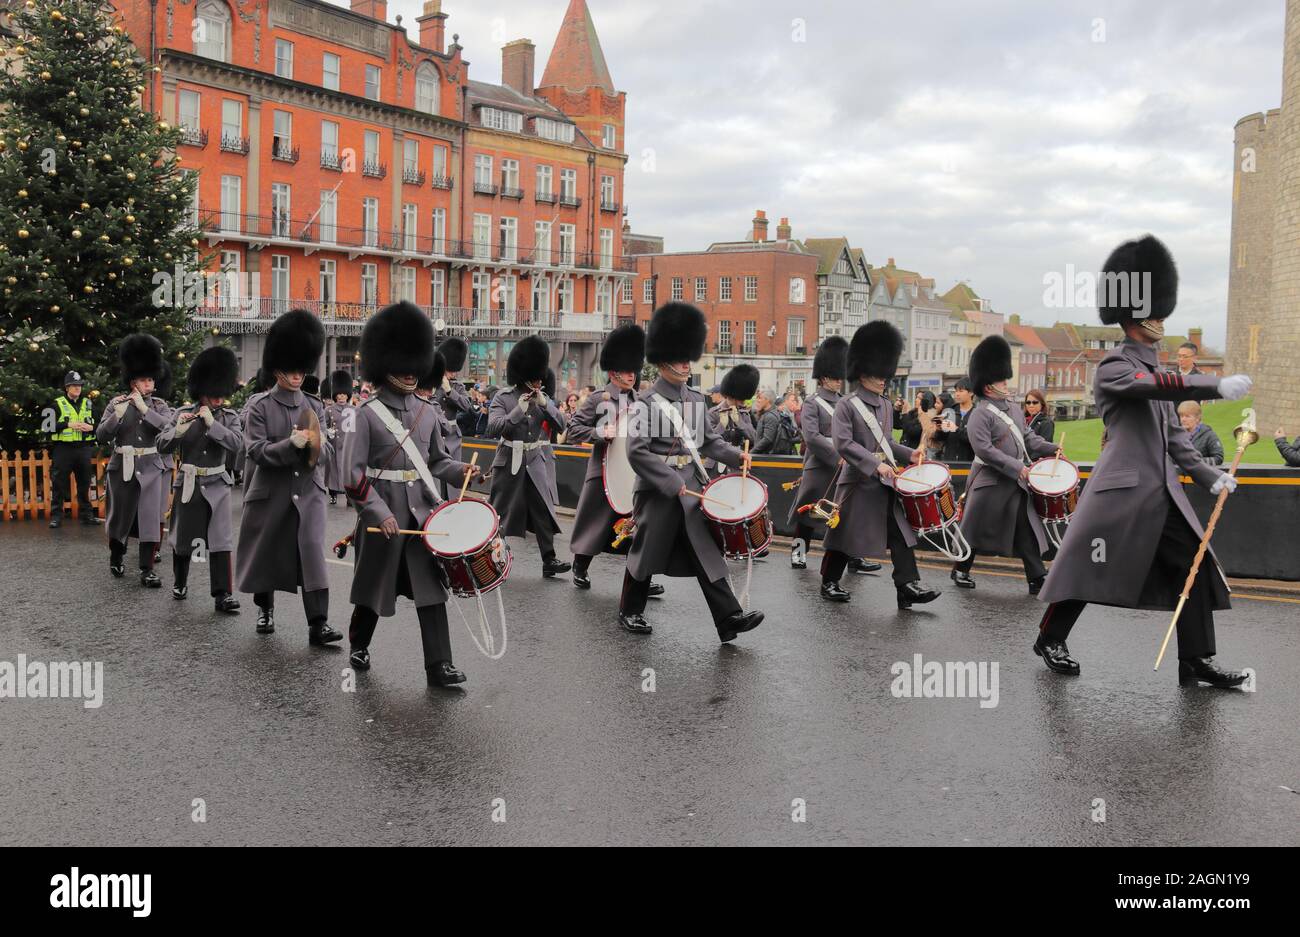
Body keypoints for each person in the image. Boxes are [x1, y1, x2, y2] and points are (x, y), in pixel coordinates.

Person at [1035, 235, 1253, 689]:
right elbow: (1153, 386)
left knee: (1193, 565)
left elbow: (1174, 435)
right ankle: (1050, 638)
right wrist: (1212, 385)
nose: (1159, 321)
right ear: (1134, 318)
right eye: (1154, 313)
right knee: (1085, 567)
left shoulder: (1156, 372)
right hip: (1120, 492)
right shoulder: (1115, 366)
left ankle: (1195, 659)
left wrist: (1209, 475)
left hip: (1163, 492)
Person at [343, 302, 481, 688]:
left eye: (411, 363)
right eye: (400, 364)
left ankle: (439, 665)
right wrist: (375, 511)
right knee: (373, 586)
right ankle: (359, 643)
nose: (407, 372)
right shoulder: (363, 413)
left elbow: (437, 462)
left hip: (422, 516)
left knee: (431, 591)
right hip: (384, 514)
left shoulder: (426, 410)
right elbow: (350, 474)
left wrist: (463, 470)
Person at [618, 302, 763, 640]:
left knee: (705, 551)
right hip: (658, 490)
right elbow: (636, 452)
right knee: (645, 552)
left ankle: (728, 619)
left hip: (693, 486)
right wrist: (670, 481)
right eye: (680, 358)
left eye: (688, 358)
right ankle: (630, 610)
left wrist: (736, 455)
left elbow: (710, 443)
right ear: (663, 361)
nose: (686, 364)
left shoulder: (697, 400)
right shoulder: (647, 403)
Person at [235, 309, 341, 646]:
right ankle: (265, 610)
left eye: (301, 369)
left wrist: (315, 446)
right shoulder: (259, 407)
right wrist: (288, 445)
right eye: (291, 369)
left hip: (308, 492)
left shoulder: (314, 406)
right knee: (268, 552)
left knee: (311, 552)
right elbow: (255, 451)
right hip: (272, 491)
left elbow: (328, 455)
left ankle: (318, 623)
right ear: (277, 369)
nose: (297, 375)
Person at [819, 321, 942, 609]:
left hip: (885, 481)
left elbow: (886, 442)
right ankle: (829, 581)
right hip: (858, 482)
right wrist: (875, 465)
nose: (885, 378)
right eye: (879, 373)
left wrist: (909, 454)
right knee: (843, 534)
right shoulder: (847, 406)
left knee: (901, 533)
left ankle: (907, 585)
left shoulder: (886, 405)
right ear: (863, 374)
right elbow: (844, 444)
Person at [950, 336, 1060, 593]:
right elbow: (984, 451)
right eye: (1001, 380)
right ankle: (961, 569)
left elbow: (1028, 437)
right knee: (975, 529)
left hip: (1013, 481)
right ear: (988, 386)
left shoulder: (1011, 407)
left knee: (1025, 527)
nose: (1006, 383)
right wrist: (1016, 466)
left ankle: (1036, 577)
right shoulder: (980, 413)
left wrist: (1052, 448)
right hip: (989, 481)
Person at [566, 323, 662, 596]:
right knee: (596, 524)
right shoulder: (598, 398)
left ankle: (640, 575)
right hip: (604, 471)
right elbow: (573, 430)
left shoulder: (641, 400)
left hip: (634, 473)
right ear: (613, 372)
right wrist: (598, 432)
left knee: (639, 525)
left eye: (634, 370)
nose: (632, 375)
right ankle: (580, 564)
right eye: (627, 370)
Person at [156, 346, 243, 613]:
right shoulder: (182, 413)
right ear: (201, 392)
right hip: (190, 483)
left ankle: (223, 594)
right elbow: (162, 444)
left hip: (217, 484)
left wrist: (212, 425)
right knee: (184, 538)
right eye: (213, 396)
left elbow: (237, 444)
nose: (218, 400)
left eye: (221, 396)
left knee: (221, 540)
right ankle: (180, 582)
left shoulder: (229, 417)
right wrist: (179, 431)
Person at [788, 336, 881, 575]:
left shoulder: (846, 402)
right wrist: (836, 454)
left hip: (845, 466)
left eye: (841, 376)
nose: (839, 381)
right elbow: (812, 436)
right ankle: (799, 553)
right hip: (820, 465)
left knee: (847, 515)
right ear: (823, 377)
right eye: (834, 377)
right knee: (808, 513)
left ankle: (853, 558)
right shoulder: (812, 403)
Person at [486, 336, 572, 578]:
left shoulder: (543, 398)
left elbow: (561, 425)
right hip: (509, 458)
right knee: (499, 512)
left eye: (539, 377)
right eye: (533, 377)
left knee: (542, 511)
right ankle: (492, 558)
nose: (537, 381)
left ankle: (549, 559)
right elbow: (494, 428)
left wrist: (545, 404)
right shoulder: (503, 398)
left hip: (535, 460)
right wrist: (518, 410)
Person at [97, 334, 173, 586]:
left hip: (151, 468)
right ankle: (116, 557)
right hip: (123, 468)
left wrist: (144, 409)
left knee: (150, 519)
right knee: (120, 517)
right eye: (144, 380)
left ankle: (146, 568)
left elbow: (166, 429)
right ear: (133, 382)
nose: (149, 383)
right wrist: (116, 417)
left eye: (151, 379)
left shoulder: (159, 406)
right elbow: (101, 435)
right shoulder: (116, 404)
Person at [48, 370, 99, 529]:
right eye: (74, 385)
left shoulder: (89, 404)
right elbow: (46, 427)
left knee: (85, 483)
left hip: (83, 449)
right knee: (59, 484)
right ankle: (56, 517)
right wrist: (67, 424)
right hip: (63, 449)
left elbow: (102, 427)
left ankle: (87, 515)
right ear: (66, 387)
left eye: (79, 385)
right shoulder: (56, 404)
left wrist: (90, 427)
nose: (77, 388)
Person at [706, 364, 759, 475]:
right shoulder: (713, 413)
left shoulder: (744, 413)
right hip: (716, 463)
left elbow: (754, 438)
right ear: (732, 396)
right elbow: (708, 440)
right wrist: (722, 425)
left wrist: (739, 422)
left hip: (736, 463)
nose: (743, 402)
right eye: (741, 399)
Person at [434, 337, 473, 465]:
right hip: (434, 433)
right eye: (451, 370)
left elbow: (467, 406)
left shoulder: (458, 386)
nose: (454, 374)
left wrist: (450, 391)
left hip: (452, 437)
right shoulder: (431, 384)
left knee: (453, 475)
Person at [324, 370, 355, 505]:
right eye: (339, 394)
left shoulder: (353, 409)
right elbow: (323, 425)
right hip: (334, 444)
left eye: (344, 394)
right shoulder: (329, 410)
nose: (341, 397)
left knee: (349, 472)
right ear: (335, 396)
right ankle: (333, 494)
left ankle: (349, 496)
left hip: (349, 444)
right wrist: (327, 432)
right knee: (333, 472)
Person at [938, 379, 975, 462]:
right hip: (949, 460)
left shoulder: (977, 413)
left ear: (971, 393)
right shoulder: (950, 411)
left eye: (961, 391)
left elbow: (974, 438)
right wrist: (939, 429)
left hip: (969, 463)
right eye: (956, 391)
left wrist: (956, 429)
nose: (957, 394)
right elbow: (942, 438)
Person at [1177, 401, 1224, 466]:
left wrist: (1196, 461)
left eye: (1187, 416)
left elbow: (1218, 458)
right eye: (1181, 416)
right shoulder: (1176, 435)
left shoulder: (1209, 435)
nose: (1183, 419)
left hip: (1201, 475)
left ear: (1197, 418)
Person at [753, 387, 797, 455]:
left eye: (760, 398)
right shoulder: (770, 413)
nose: (757, 400)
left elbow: (767, 439)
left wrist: (752, 452)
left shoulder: (770, 416)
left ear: (767, 400)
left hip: (766, 458)